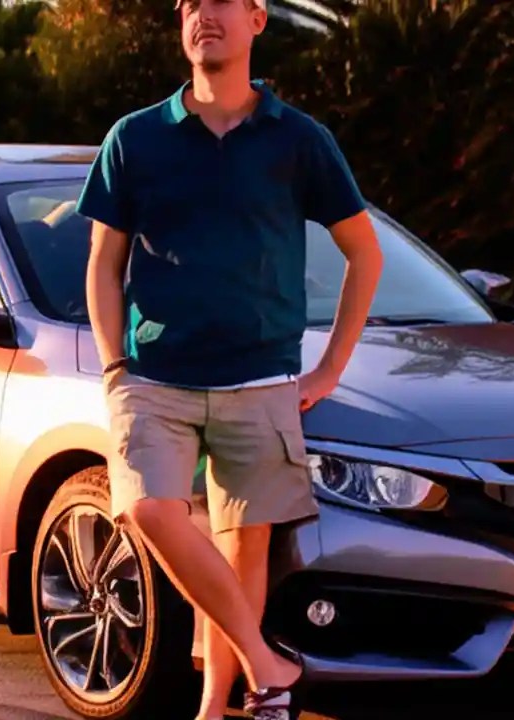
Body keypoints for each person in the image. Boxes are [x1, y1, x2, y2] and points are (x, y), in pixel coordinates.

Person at [78, 0, 383, 717]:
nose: (202, 14)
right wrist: (114, 365)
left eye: (221, 1)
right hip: (155, 380)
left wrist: (331, 369)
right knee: (150, 508)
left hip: (262, 380)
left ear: (256, 19)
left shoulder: (299, 141)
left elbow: (363, 252)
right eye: (190, 3)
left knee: (241, 558)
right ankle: (268, 663)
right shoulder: (135, 139)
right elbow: (101, 263)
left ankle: (219, 708)